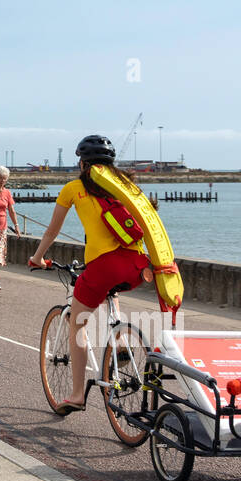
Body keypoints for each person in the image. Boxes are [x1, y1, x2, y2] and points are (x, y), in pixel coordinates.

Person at [28, 135, 155, 415]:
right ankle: (120, 342)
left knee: (78, 322)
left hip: (104, 267)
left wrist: (37, 258)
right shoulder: (126, 186)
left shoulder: (73, 188)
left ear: (83, 163)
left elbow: (52, 231)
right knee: (113, 291)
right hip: (137, 265)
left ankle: (75, 395)